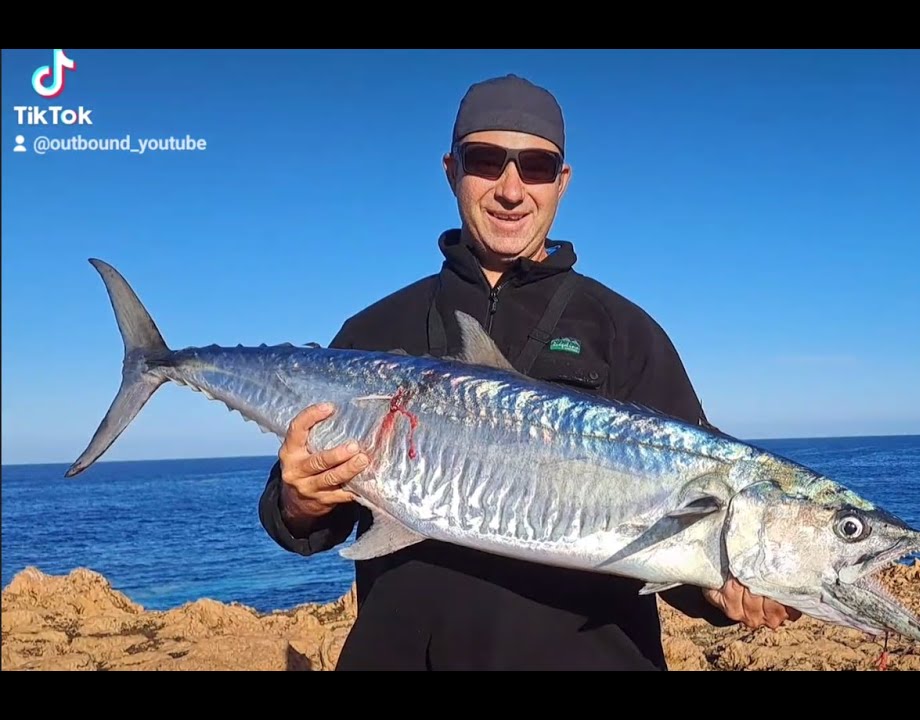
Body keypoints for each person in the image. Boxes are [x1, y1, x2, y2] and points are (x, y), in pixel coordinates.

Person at [257, 74, 800, 670]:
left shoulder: (624, 333)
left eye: (536, 167)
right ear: (450, 170)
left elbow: (679, 540)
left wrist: (729, 587)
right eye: (486, 161)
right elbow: (299, 515)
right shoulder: (375, 331)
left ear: (562, 183)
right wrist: (297, 503)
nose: (511, 190)